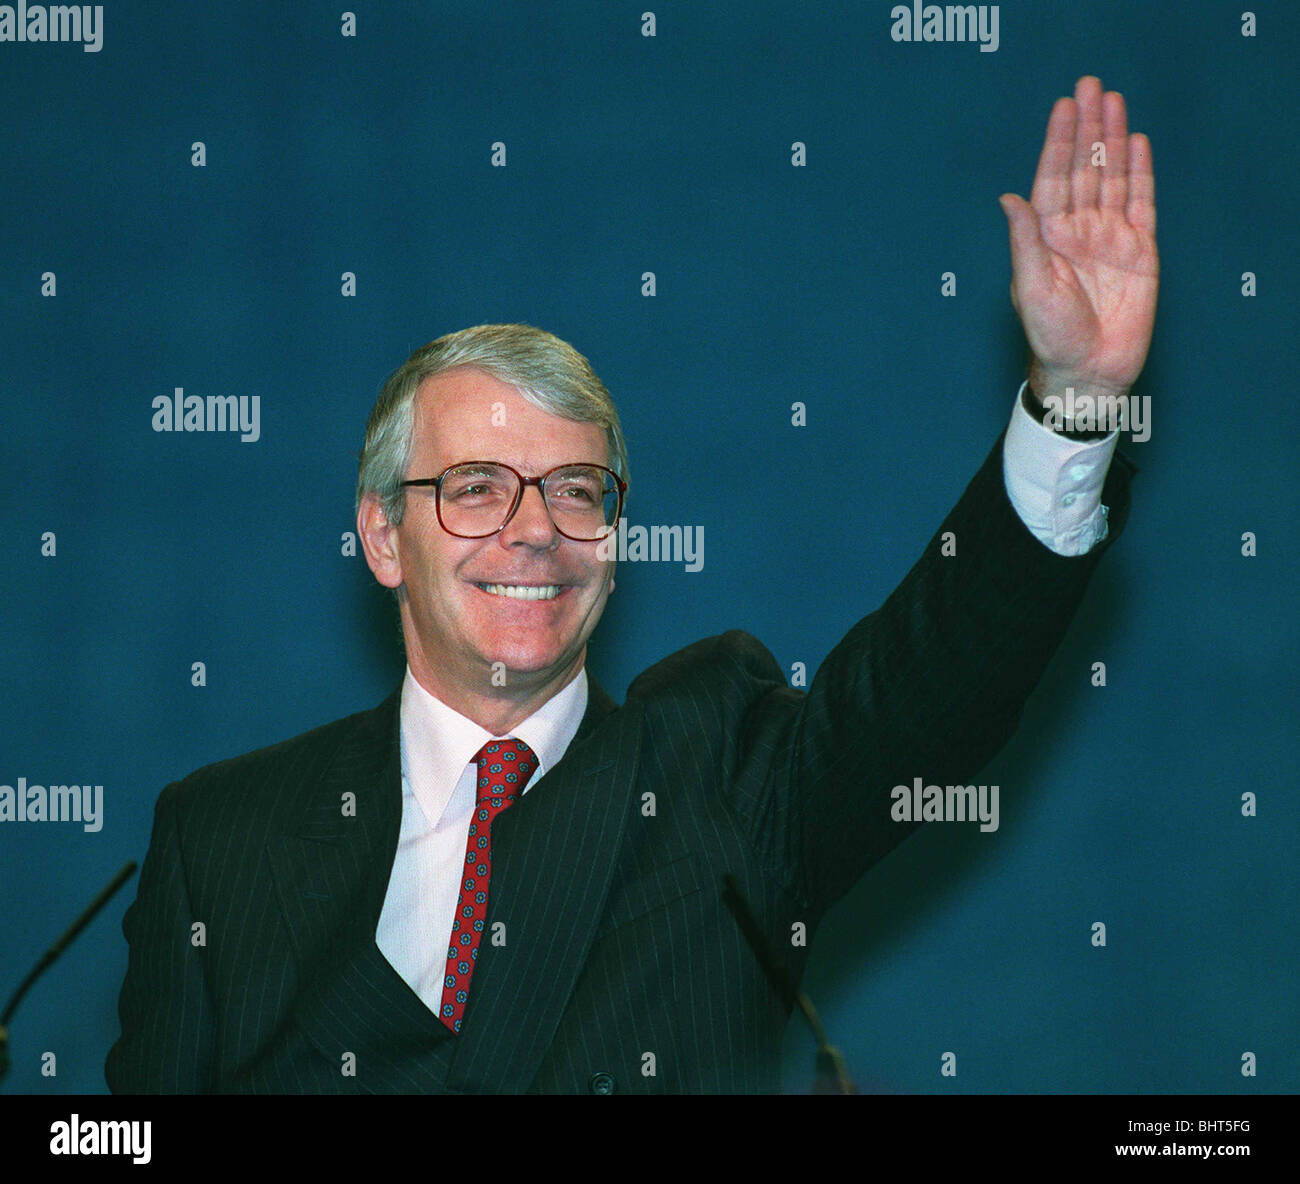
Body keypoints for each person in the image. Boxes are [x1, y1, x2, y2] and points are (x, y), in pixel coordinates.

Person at [106, 76, 1157, 1094]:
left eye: (575, 491)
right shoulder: (223, 840)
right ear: (384, 535)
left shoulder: (727, 784)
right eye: (476, 487)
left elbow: (936, 676)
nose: (532, 530)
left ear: (613, 535)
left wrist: (1072, 400)